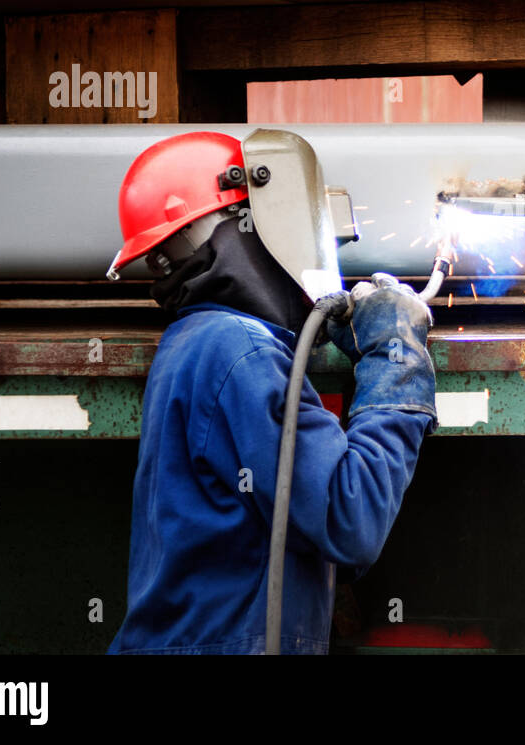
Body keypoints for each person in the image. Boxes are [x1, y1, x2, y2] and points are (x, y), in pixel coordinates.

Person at [105, 131, 436, 654]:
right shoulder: (240, 353)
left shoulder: (202, 343)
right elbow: (348, 522)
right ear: (249, 222)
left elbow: (325, 540)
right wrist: (396, 357)